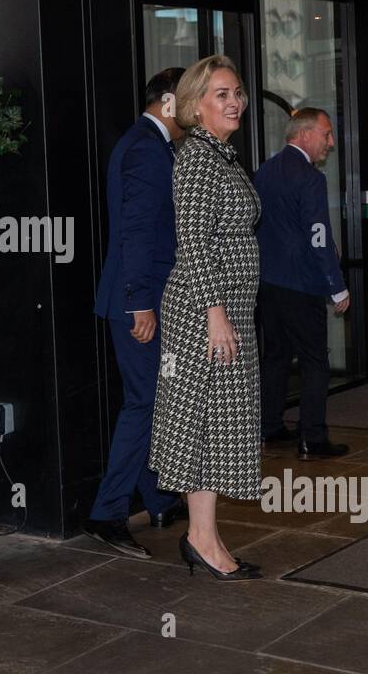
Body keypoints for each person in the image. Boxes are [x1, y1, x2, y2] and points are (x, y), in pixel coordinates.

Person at [149, 55, 262, 581]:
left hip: (226, 308)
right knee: (202, 424)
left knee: (215, 426)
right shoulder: (196, 157)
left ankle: (205, 536)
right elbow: (193, 243)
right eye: (221, 93)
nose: (235, 100)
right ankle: (200, 538)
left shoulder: (222, 156)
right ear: (195, 104)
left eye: (237, 91)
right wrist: (216, 315)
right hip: (204, 311)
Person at [86, 68, 187, 558]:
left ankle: (159, 497)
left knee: (154, 400)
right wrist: (139, 302)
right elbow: (136, 232)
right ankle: (107, 513)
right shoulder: (147, 149)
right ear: (169, 101)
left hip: (142, 297)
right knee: (145, 403)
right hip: (136, 303)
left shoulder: (153, 144)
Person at [254, 107, 350, 459]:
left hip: (268, 283)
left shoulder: (265, 171)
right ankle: (313, 437)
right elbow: (319, 236)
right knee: (314, 362)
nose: (330, 143)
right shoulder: (310, 178)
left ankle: (269, 426)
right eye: (325, 134)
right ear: (304, 134)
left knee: (276, 355)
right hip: (302, 284)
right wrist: (336, 286)